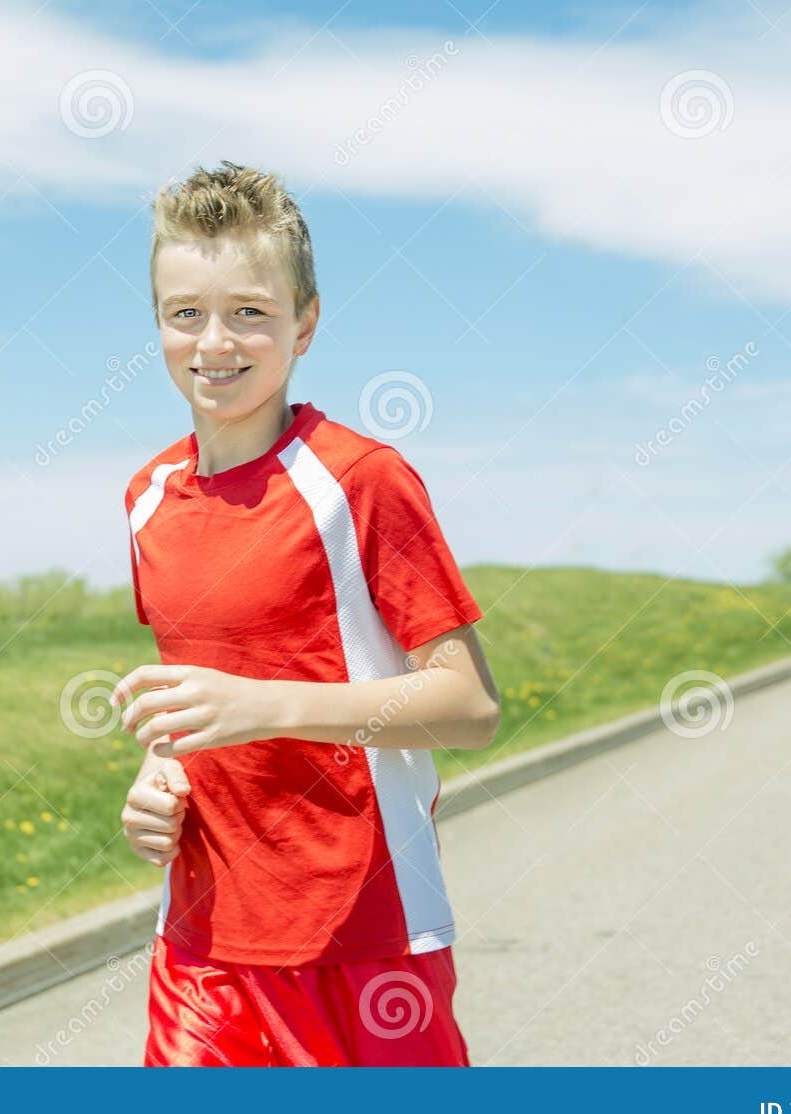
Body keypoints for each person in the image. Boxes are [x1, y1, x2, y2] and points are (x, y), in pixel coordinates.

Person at [112, 161, 501, 1067]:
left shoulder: (362, 481)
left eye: (250, 311)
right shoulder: (146, 498)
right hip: (201, 943)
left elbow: (469, 706)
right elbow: (191, 701)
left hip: (363, 936)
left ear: (306, 323)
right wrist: (154, 780)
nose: (215, 341)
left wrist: (267, 703)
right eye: (185, 314)